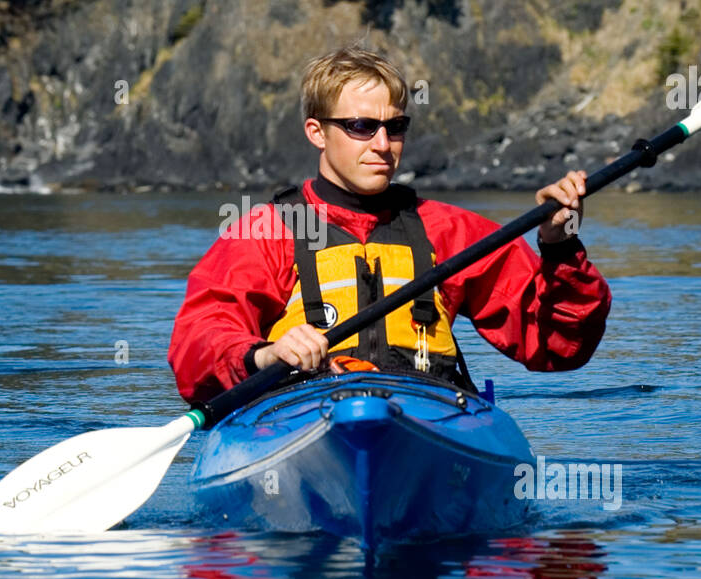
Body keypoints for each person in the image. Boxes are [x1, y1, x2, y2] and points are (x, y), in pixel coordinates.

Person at [168, 46, 611, 406]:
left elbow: (558, 344)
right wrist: (264, 354)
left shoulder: (449, 231)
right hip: (301, 412)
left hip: (426, 413)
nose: (382, 145)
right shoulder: (268, 231)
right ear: (316, 132)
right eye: (361, 126)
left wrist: (558, 245)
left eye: (395, 127)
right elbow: (199, 341)